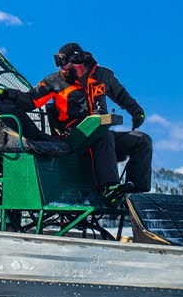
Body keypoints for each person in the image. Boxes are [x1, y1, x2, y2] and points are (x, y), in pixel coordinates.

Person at [22, 42, 152, 203]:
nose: (60, 68)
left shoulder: (102, 76)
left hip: (100, 137)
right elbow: (30, 99)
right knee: (103, 135)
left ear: (76, 59)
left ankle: (136, 193)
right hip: (73, 137)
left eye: (62, 62)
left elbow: (121, 95)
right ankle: (108, 187)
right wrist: (8, 96)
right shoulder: (54, 82)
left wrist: (136, 112)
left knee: (142, 140)